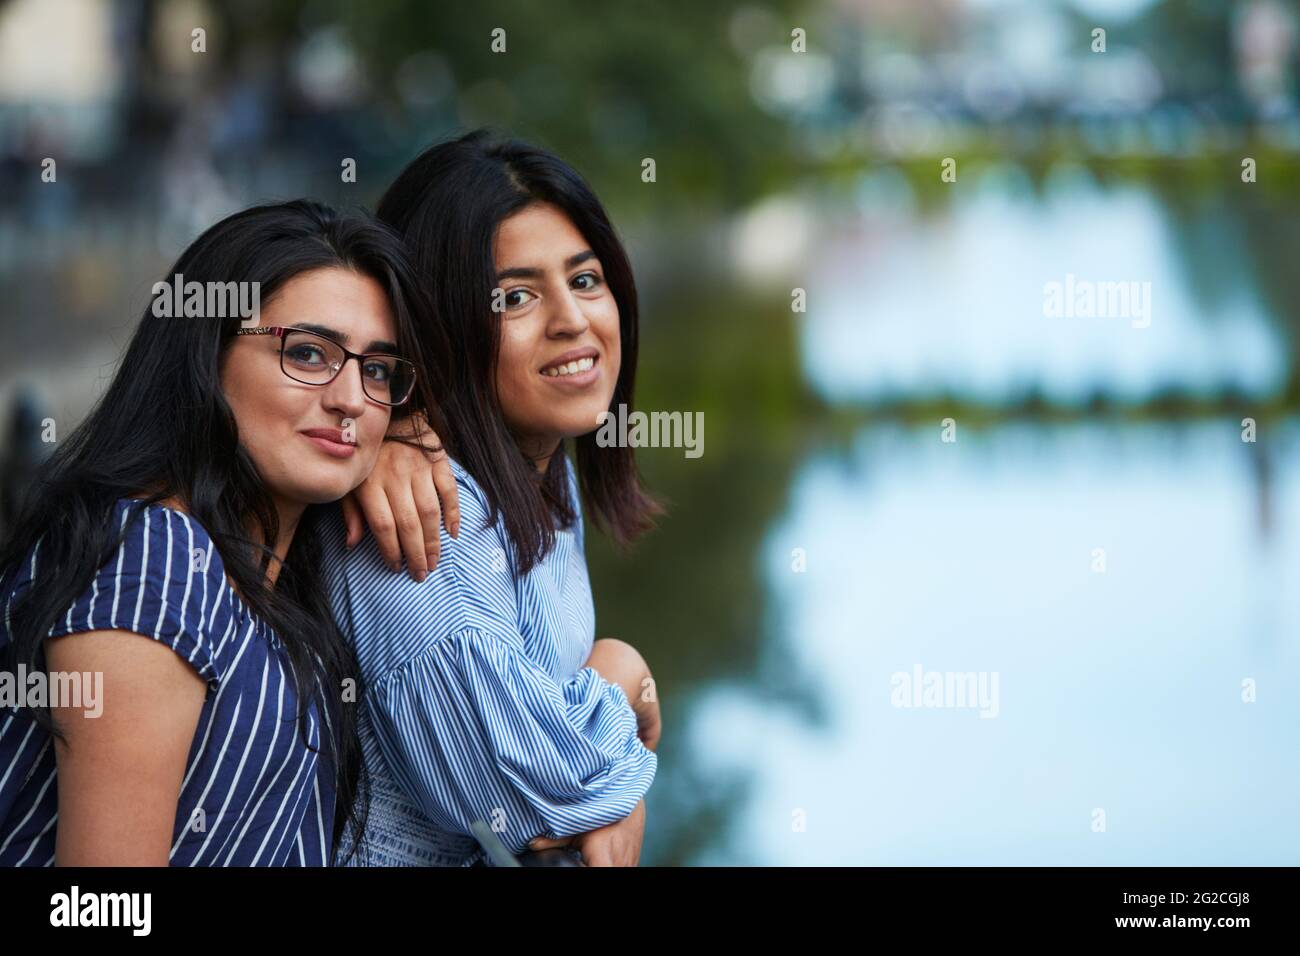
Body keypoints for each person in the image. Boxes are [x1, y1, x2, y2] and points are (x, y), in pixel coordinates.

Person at [0, 200, 438, 865]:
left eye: (377, 369)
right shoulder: (155, 561)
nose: (351, 398)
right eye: (309, 353)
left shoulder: (282, 572)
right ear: (207, 356)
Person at [321, 131, 664, 866]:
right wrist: (622, 668)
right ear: (438, 322)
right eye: (514, 296)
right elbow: (532, 802)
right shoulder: (425, 521)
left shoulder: (544, 470)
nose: (572, 319)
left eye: (585, 279)